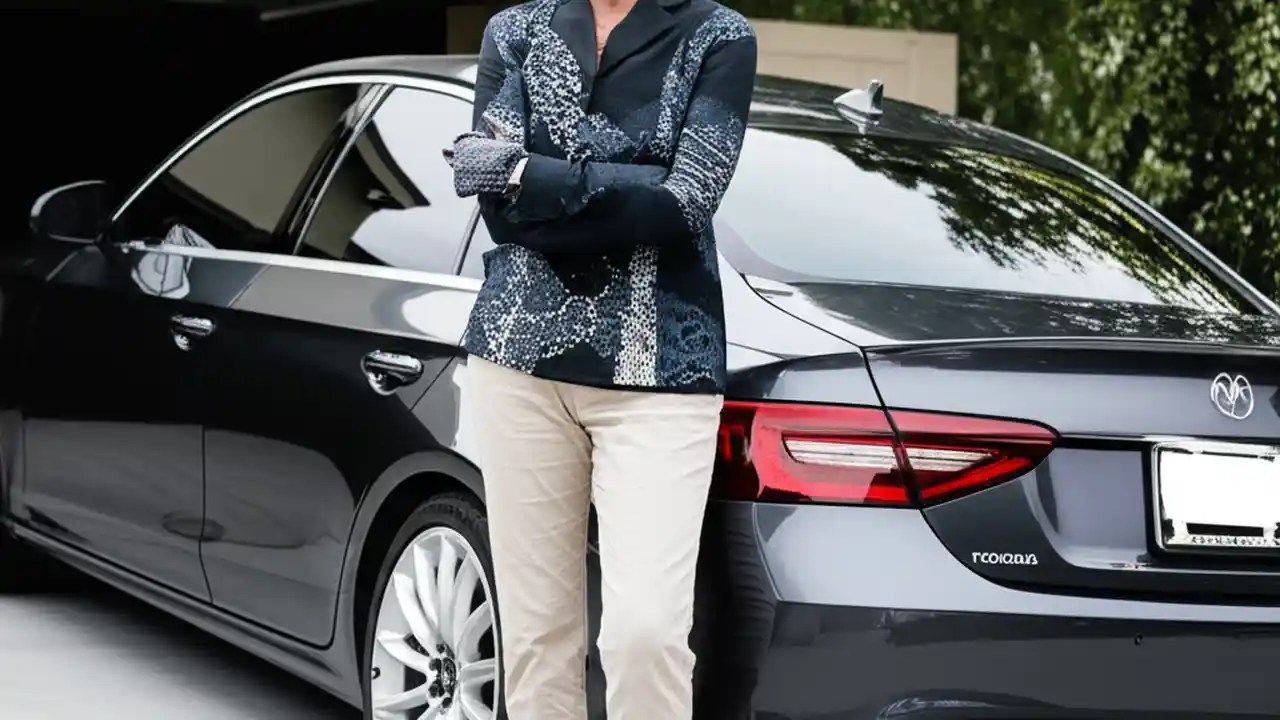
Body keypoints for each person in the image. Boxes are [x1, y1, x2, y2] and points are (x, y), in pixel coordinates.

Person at [447, 0, 757, 717]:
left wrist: (530, 171)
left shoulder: (719, 37)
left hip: (659, 376)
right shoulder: (515, 30)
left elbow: (687, 201)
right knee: (536, 640)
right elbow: (496, 208)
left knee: (645, 634)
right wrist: (622, 183)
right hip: (517, 359)